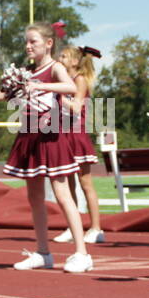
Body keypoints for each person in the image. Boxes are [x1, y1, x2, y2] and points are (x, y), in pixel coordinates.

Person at [0, 22, 93, 272]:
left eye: (33, 41)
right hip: (29, 137)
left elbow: (71, 87)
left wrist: (39, 85)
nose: (28, 46)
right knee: (34, 197)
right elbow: (6, 93)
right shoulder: (25, 71)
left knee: (63, 194)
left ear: (48, 43)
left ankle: (82, 253)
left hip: (51, 136)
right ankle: (43, 251)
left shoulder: (54, 68)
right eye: (26, 41)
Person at [52, 44, 105, 245]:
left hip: (77, 136)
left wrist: (58, 96)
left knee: (86, 184)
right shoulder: (61, 81)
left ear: (74, 61)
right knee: (68, 186)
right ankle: (72, 227)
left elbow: (75, 107)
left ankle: (96, 228)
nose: (60, 59)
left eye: (64, 56)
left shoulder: (79, 80)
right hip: (63, 136)